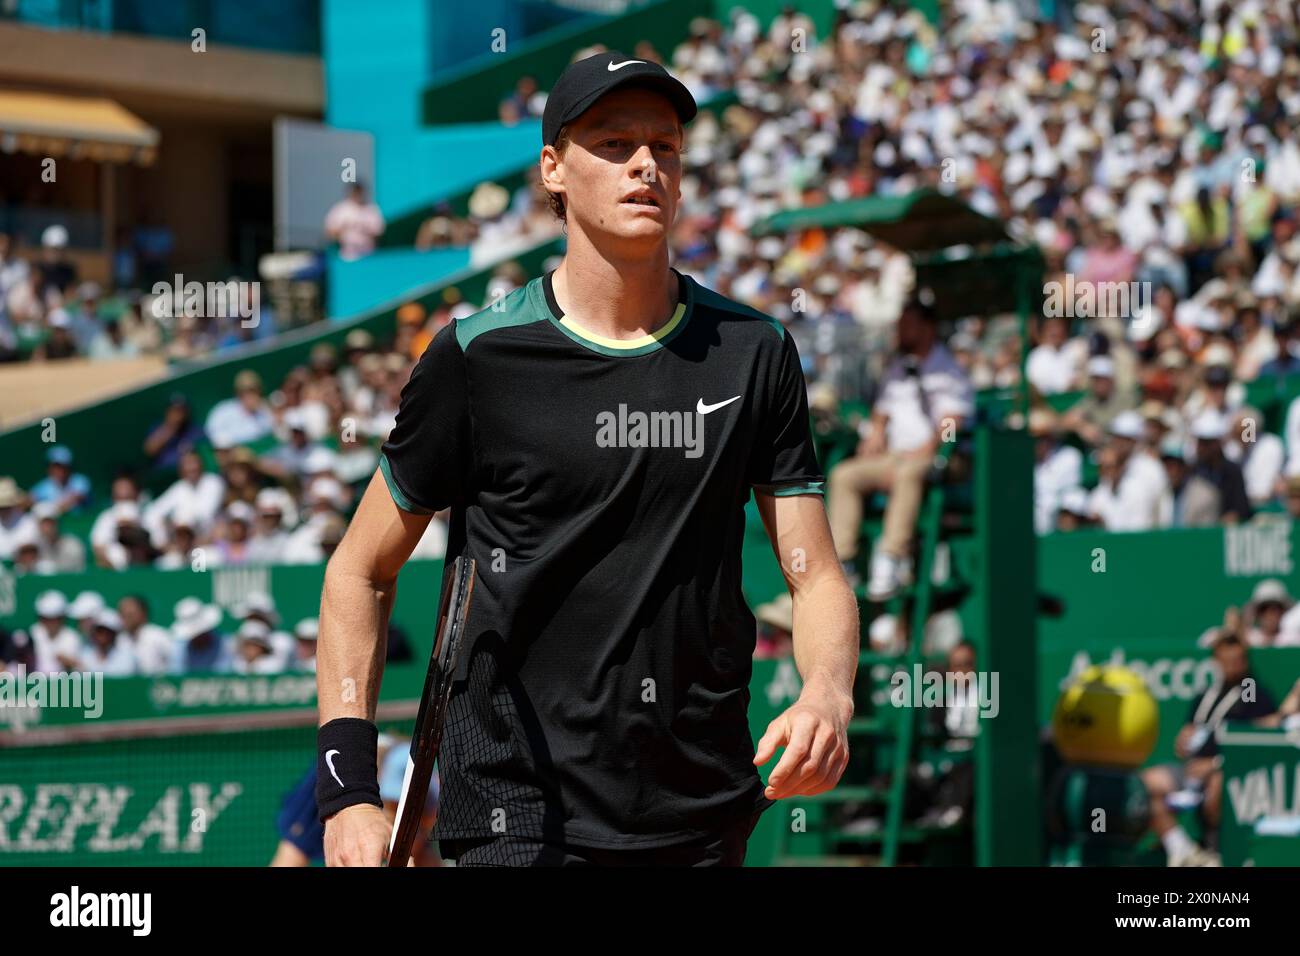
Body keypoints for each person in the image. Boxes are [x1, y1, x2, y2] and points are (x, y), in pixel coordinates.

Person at [317, 51, 857, 868]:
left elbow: (812, 574)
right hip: (516, 817)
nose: (646, 164)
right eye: (613, 143)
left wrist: (827, 694)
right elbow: (360, 570)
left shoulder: (755, 352)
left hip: (701, 814)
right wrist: (348, 789)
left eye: (666, 146)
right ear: (553, 170)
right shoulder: (477, 358)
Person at [826, 297, 973, 599]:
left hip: (942, 458)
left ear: (928, 328)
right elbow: (883, 409)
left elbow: (952, 422)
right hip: (895, 458)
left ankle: (890, 557)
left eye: (907, 324)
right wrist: (876, 433)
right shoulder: (897, 368)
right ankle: (844, 561)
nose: (900, 330)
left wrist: (927, 450)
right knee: (844, 474)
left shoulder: (949, 369)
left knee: (909, 473)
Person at [1140, 632, 1276, 867]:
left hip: (1225, 770)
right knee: (1145, 783)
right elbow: (1187, 740)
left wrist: (1214, 764)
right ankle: (1182, 850)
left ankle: (1217, 851)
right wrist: (1182, 743)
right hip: (1190, 771)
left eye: (1239, 658)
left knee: (1218, 783)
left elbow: (1260, 739)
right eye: (1227, 659)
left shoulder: (1253, 694)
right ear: (1217, 661)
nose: (1234, 663)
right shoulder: (1205, 695)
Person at [324, 182, 385, 261]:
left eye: (359, 192)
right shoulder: (341, 209)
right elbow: (330, 231)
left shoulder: (372, 209)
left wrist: (363, 228)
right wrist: (344, 229)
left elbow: (378, 232)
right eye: (355, 191)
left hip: (368, 254)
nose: (358, 194)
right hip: (347, 254)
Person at [117, 595, 174, 675]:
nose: (126, 618)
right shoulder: (119, 640)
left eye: (130, 615)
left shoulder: (160, 636)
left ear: (143, 613)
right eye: (122, 614)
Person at [29, 445, 92, 515]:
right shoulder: (43, 486)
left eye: (63, 466)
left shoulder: (80, 480)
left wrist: (52, 509)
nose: (60, 470)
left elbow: (77, 498)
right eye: (56, 466)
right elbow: (30, 500)